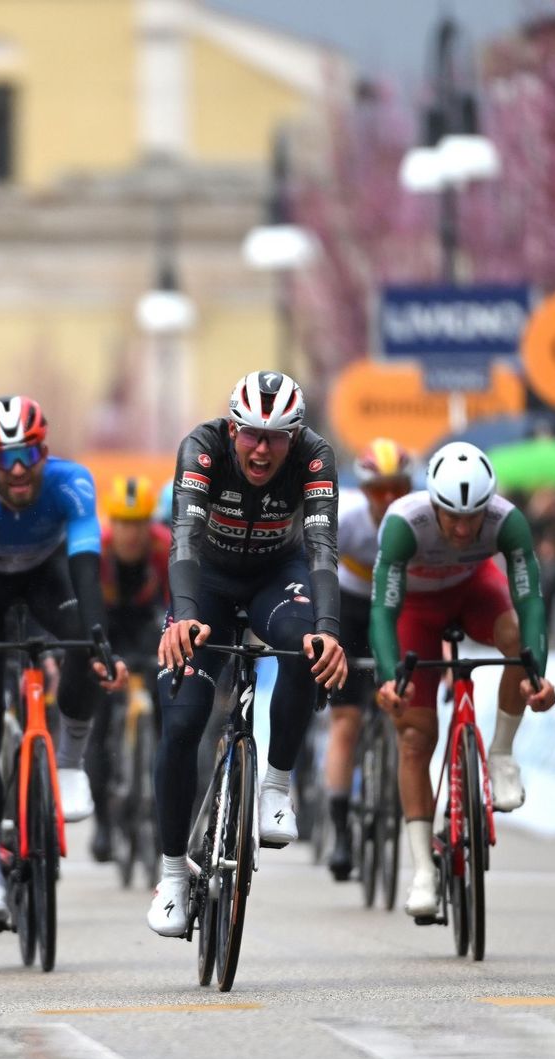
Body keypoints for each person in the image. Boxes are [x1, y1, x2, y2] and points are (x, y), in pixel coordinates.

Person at [147, 371, 348, 937]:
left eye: (277, 436)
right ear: (232, 427)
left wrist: (328, 629)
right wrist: (185, 614)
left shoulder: (315, 456)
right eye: (252, 435)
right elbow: (183, 539)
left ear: (296, 435)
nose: (262, 449)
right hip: (205, 583)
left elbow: (322, 549)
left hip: (274, 579)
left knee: (305, 644)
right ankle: (171, 875)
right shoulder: (202, 448)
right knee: (182, 720)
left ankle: (277, 785)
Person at [0, 395, 126, 931]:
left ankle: (67, 762)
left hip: (49, 580)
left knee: (87, 649)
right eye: (2, 457)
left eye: (29, 455)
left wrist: (100, 646)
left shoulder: (73, 482)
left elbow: (87, 571)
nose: (18, 470)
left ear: (46, 451)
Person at [370, 442, 554, 917]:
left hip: (474, 594)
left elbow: (530, 601)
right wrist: (393, 678)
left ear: (487, 507)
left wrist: (536, 674)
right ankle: (423, 873)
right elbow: (383, 610)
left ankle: (501, 755)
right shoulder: (403, 523)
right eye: (450, 515)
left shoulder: (506, 521)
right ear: (432, 501)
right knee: (415, 736)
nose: (460, 527)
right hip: (416, 613)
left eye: (472, 517)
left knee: (514, 634)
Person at [324, 438, 410, 882]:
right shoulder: (347, 521)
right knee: (346, 723)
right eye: (379, 491)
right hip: (349, 610)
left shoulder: (416, 522)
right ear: (365, 490)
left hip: (394, 609)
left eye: (397, 488)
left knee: (405, 717)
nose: (389, 500)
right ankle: (340, 831)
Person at [89, 474, 171, 863]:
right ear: (112, 524)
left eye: (139, 524)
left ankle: (158, 801)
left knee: (163, 698)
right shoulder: (98, 549)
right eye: (123, 523)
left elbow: (177, 606)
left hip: (146, 626)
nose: (131, 534)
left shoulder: (162, 548)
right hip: (106, 625)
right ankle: (104, 823)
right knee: (99, 723)